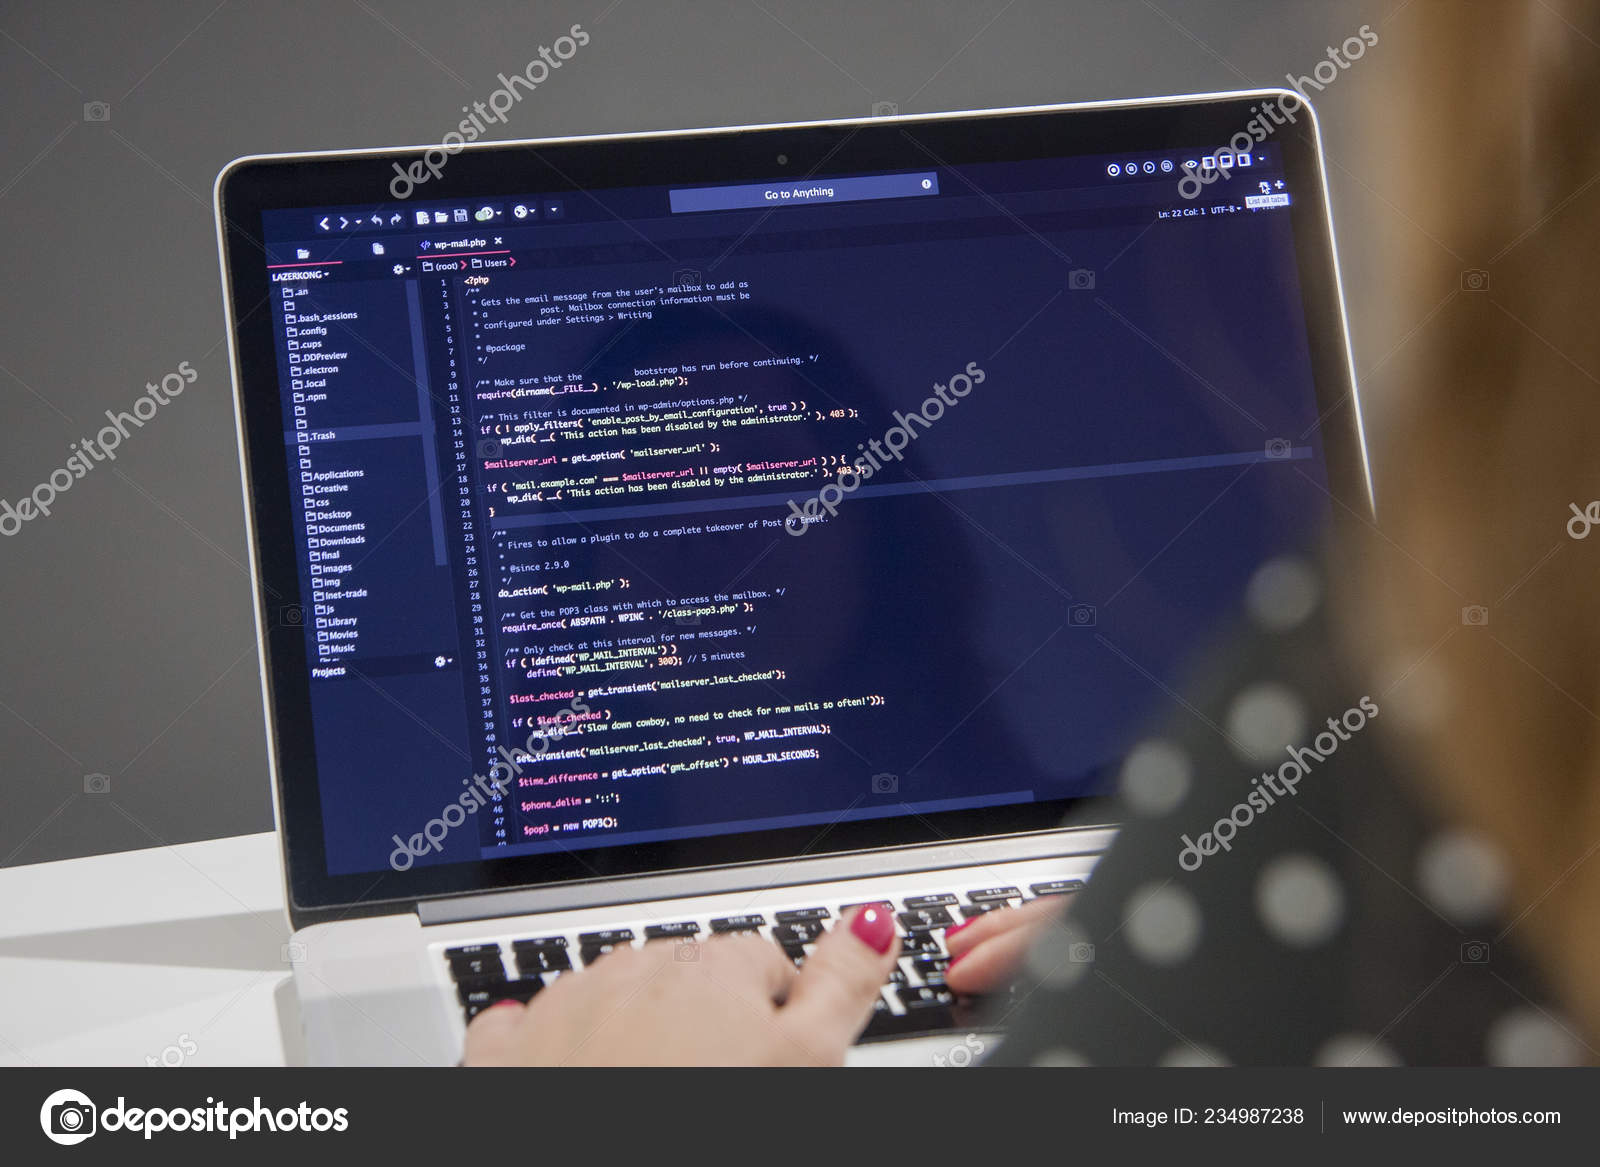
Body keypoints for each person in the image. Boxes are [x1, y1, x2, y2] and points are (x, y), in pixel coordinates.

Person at [465, 1, 1600, 1066]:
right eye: (647, 485)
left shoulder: (1235, 803)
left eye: (761, 474)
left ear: (874, 530)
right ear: (575, 558)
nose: (711, 538)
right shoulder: (503, 876)